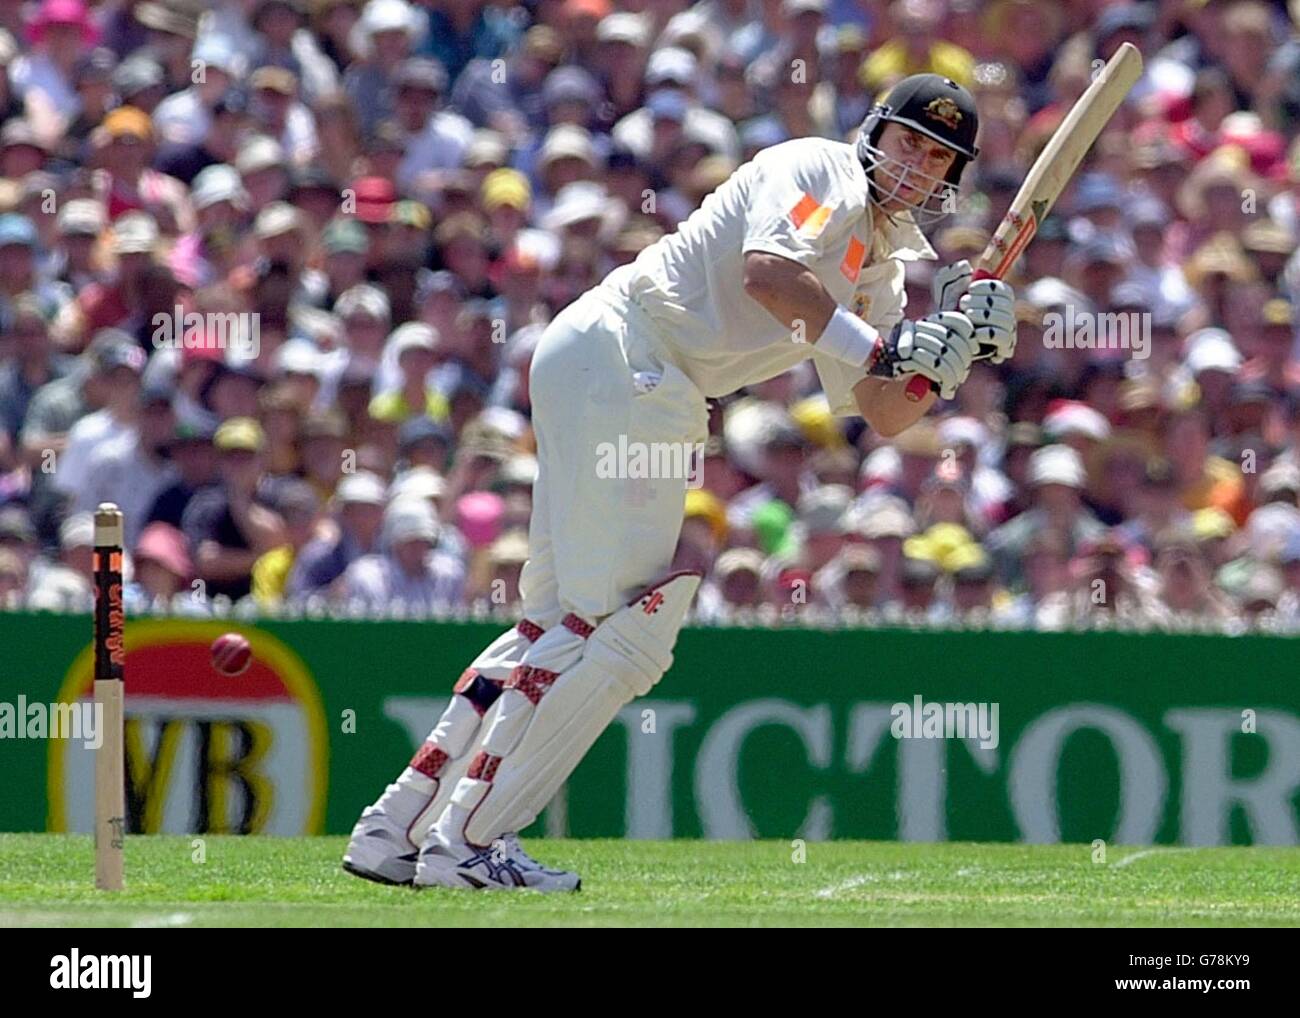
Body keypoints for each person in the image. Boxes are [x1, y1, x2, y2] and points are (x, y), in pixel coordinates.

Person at [343, 75, 1017, 890]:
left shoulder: (885, 269)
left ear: (951, 180)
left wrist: (949, 362)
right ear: (875, 131)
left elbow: (880, 412)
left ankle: (400, 825)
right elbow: (770, 275)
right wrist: (889, 350)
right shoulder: (819, 170)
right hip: (634, 358)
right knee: (623, 634)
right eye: (909, 142)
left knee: (552, 627)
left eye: (937, 157)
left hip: (615, 366)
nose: (916, 166)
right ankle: (470, 842)